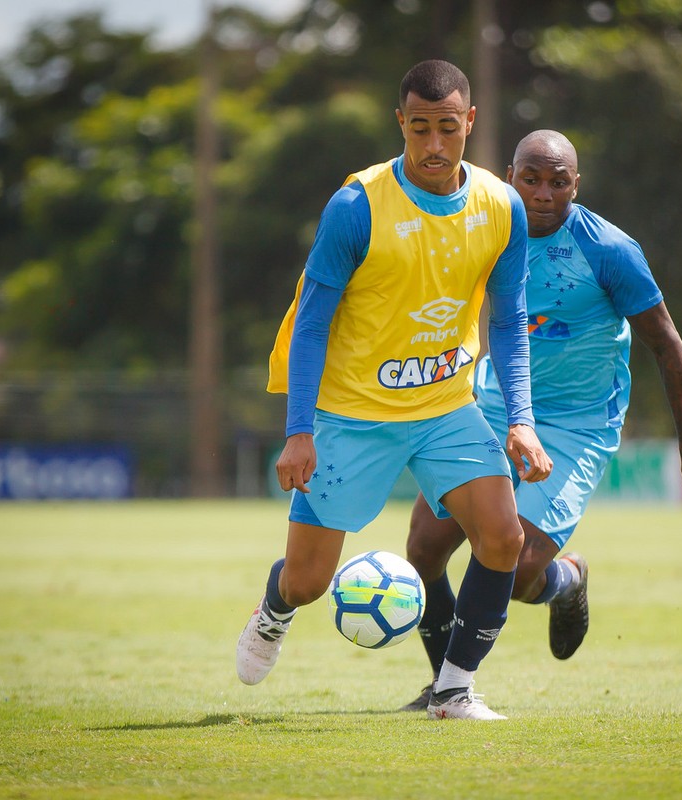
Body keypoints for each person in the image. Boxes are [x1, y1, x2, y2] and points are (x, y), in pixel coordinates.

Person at [235, 60, 553, 722]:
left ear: (470, 122)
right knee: (308, 581)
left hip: (445, 408)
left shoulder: (502, 206)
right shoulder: (357, 207)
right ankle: (274, 611)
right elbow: (311, 324)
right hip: (351, 414)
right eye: (420, 128)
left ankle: (454, 691)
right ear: (401, 124)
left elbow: (509, 321)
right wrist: (299, 431)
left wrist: (521, 420)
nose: (434, 145)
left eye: (447, 128)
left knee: (503, 537)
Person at [400, 129, 682, 711]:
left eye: (558, 182)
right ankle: (445, 684)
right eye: (531, 179)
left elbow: (667, 343)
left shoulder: (609, 250)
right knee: (424, 549)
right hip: (493, 407)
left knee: (520, 569)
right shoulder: (484, 231)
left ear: (575, 186)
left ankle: (566, 580)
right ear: (510, 177)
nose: (543, 193)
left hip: (577, 424)